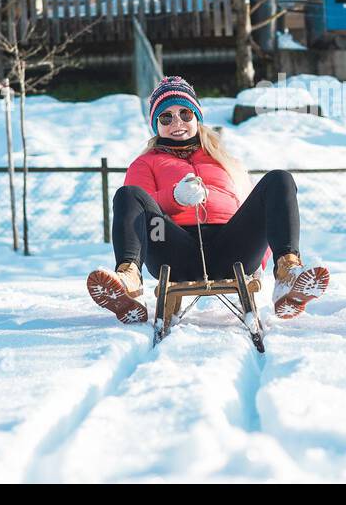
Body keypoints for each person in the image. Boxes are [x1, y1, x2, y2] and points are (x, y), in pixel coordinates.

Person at [87, 75, 329, 325]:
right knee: (128, 194)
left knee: (279, 180)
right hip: (173, 248)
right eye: (166, 117)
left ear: (197, 117)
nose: (176, 122)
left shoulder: (224, 160)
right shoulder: (145, 162)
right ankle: (128, 281)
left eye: (185, 113)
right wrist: (175, 198)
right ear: (156, 124)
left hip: (231, 249)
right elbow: (139, 210)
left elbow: (262, 213)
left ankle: (287, 273)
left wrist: (261, 262)